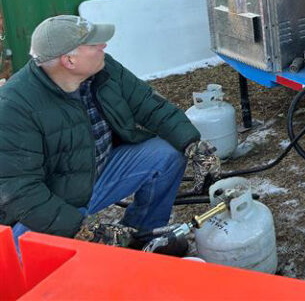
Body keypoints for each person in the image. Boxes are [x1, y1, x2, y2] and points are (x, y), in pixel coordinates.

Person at [0, 15, 219, 251]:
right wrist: (80, 230)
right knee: (29, 262)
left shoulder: (103, 69)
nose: (103, 46)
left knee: (166, 154)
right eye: (94, 44)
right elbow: (19, 191)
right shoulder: (14, 106)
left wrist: (193, 144)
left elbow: (149, 105)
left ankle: (142, 238)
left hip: (99, 175)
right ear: (69, 60)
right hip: (52, 202)